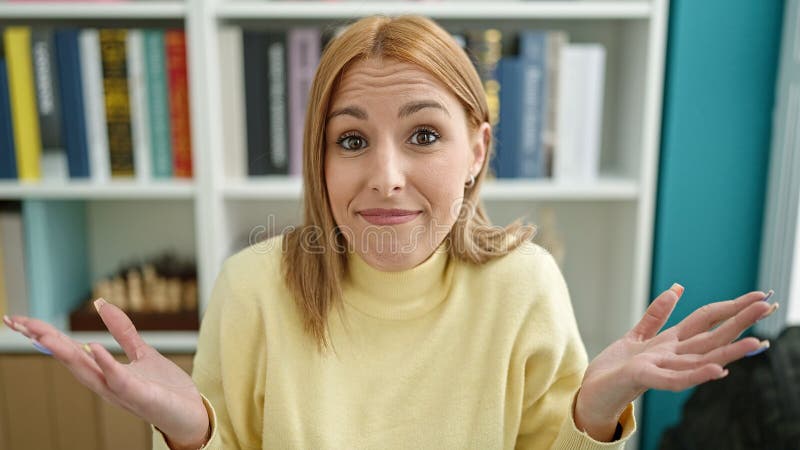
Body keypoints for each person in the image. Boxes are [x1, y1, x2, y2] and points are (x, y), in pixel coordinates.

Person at [2, 14, 779, 450]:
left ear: (477, 149)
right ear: (319, 160)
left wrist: (593, 413)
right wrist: (193, 432)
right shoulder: (252, 290)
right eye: (350, 140)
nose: (386, 176)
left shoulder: (524, 284)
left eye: (424, 136)